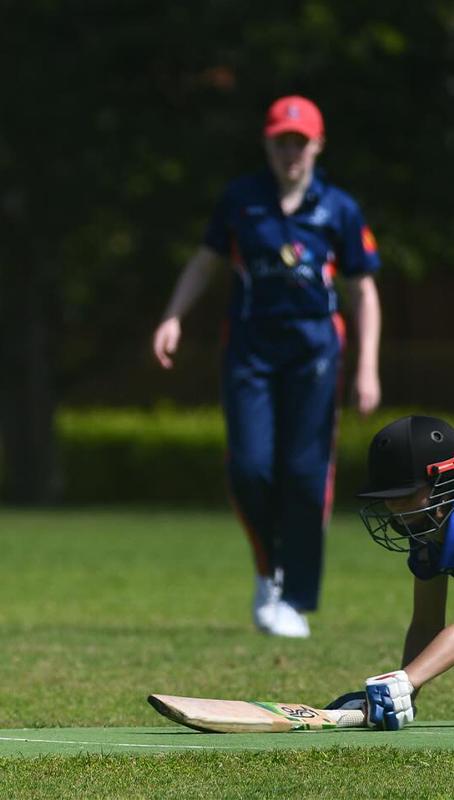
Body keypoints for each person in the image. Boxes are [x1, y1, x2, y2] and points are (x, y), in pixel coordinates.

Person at [152, 95, 383, 638]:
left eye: (300, 142)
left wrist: (368, 367)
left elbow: (363, 290)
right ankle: (267, 573)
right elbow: (206, 262)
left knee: (305, 475)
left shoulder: (340, 209)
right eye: (281, 141)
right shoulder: (241, 200)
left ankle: (295, 595)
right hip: (250, 349)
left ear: (318, 145)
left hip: (316, 353)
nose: (290, 152)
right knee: (251, 467)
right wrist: (173, 318)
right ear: (267, 143)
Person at [343, 415, 454, 729]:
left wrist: (406, 680)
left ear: (445, 482)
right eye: (388, 498)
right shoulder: (431, 536)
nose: (394, 509)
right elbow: (426, 623)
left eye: (404, 496)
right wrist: (400, 695)